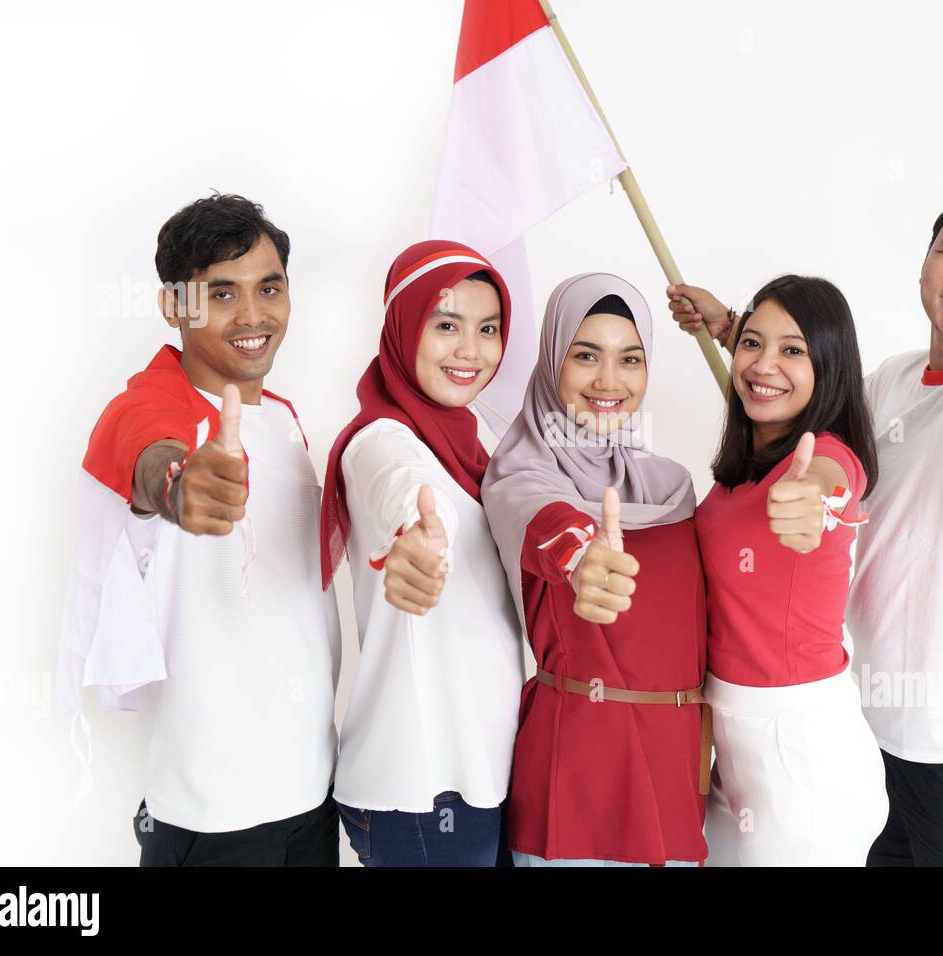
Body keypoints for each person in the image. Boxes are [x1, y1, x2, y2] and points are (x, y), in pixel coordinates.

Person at [668, 181, 943, 867]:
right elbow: (820, 387)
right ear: (925, 265)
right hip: (873, 723)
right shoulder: (895, 380)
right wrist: (736, 330)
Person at [56, 194, 342, 866]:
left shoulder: (286, 418)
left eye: (269, 288)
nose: (252, 315)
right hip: (212, 817)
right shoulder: (148, 404)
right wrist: (181, 485)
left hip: (310, 791)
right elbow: (148, 452)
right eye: (220, 294)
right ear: (173, 307)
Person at [482, 273, 708, 867]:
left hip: (676, 773)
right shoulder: (521, 471)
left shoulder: (674, 484)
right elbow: (542, 517)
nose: (609, 382)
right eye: (586, 356)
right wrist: (581, 556)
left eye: (629, 359)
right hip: (577, 772)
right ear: (553, 361)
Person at [319, 240, 524, 866]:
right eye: (446, 325)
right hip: (421, 788)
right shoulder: (380, 441)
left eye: (487, 328)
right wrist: (414, 541)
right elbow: (402, 493)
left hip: (478, 774)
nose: (471, 350)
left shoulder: (475, 446)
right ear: (403, 328)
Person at [670, 274, 884, 865]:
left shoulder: (827, 456)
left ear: (829, 366)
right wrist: (725, 323)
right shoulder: (746, 463)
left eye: (794, 350)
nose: (764, 364)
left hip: (801, 750)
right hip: (729, 741)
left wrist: (813, 503)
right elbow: (764, 361)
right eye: (752, 344)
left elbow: (830, 486)